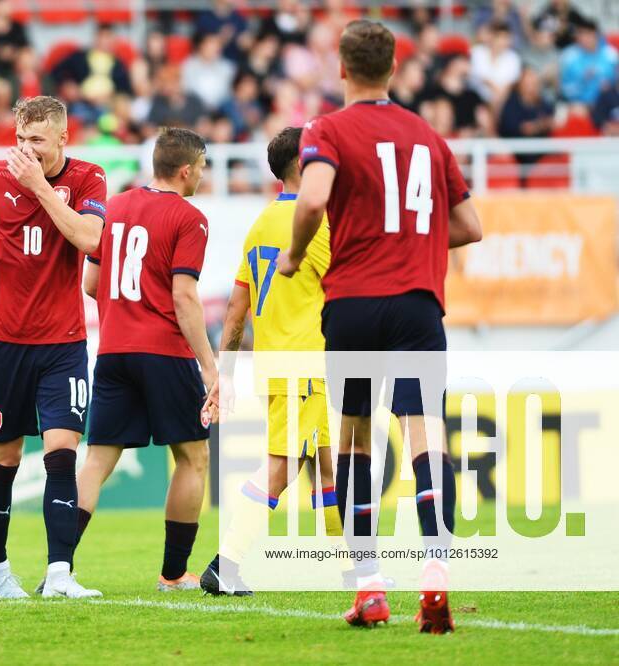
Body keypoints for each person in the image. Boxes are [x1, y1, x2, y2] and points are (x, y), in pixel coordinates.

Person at [276, 20, 482, 633]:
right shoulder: (427, 136)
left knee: (357, 442)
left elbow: (312, 199)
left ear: (341, 68)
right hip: (419, 303)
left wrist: (292, 255)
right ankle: (437, 568)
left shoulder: (329, 130)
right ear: (394, 67)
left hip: (356, 303)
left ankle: (368, 585)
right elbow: (470, 226)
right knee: (426, 434)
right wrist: (416, 241)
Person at [0, 96, 107, 599]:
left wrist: (40, 188)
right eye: (20, 139)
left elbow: (90, 239)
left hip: (62, 345)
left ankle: (60, 574)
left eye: (37, 140)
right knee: (3, 457)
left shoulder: (88, 178)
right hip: (4, 345)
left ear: (63, 138)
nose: (26, 150)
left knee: (61, 454)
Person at [199, 127, 341, 597]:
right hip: (305, 360)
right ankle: (227, 562)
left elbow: (237, 307)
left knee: (323, 463)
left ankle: (352, 569)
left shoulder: (261, 223)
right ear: (303, 165)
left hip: (277, 362)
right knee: (282, 467)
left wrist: (229, 373)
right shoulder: (314, 222)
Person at [76, 128, 214, 593]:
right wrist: (210, 366)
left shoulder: (112, 208)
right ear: (186, 170)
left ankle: (59, 568)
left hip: (113, 350)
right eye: (201, 168)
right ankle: (173, 574)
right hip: (164, 352)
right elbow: (184, 296)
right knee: (192, 458)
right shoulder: (189, 218)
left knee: (96, 461)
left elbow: (91, 285)